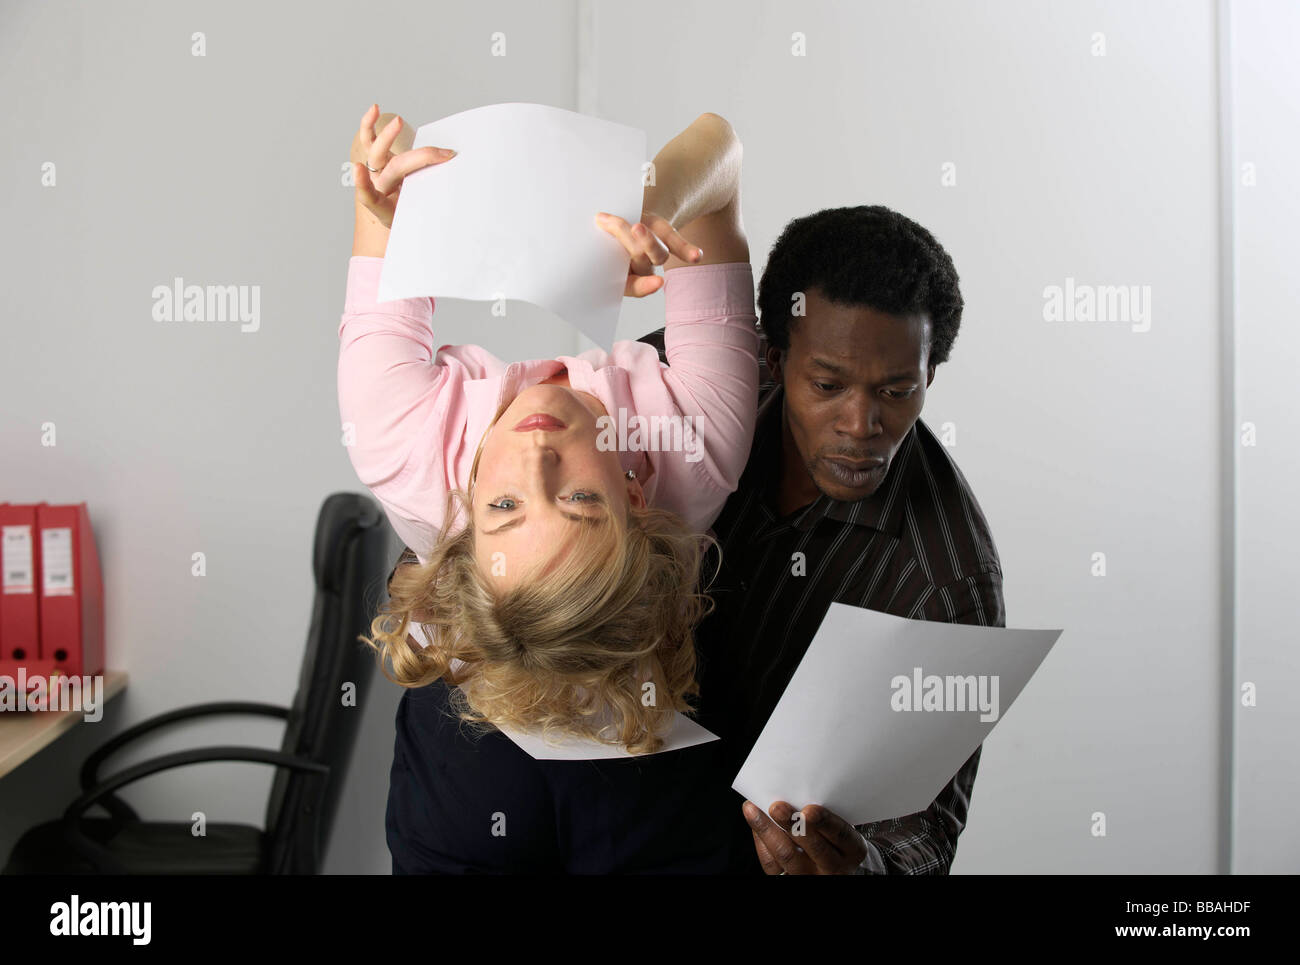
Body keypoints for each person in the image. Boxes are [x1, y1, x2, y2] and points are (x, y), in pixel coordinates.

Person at [343, 105, 758, 871]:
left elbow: (382, 224)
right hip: (473, 740)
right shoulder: (694, 441)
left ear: (465, 519)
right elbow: (722, 154)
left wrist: (381, 208)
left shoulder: (399, 442)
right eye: (577, 501)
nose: (536, 462)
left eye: (504, 508)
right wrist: (657, 202)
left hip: (611, 729)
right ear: (637, 495)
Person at [678, 204, 1007, 875]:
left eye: (896, 389)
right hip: (602, 797)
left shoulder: (950, 578)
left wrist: (860, 868)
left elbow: (928, 831)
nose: (862, 423)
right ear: (773, 357)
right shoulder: (690, 382)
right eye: (828, 385)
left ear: (928, 377)